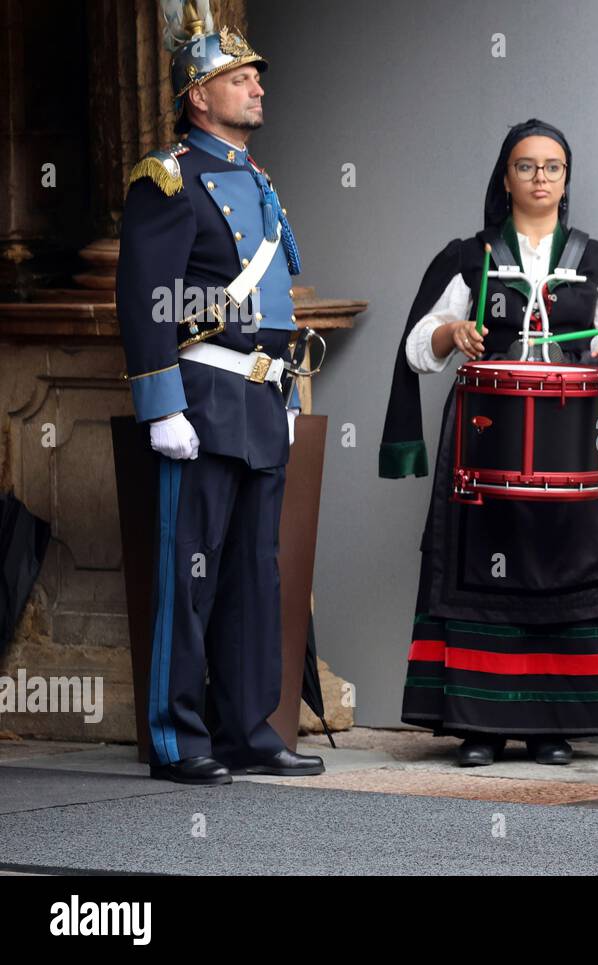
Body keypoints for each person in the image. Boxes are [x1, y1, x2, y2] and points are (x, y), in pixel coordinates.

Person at [379, 119, 598, 767]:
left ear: (567, 180)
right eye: (526, 166)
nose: (540, 178)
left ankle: (551, 726)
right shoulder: (470, 257)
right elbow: (415, 345)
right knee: (487, 577)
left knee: (563, 575)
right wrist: (452, 334)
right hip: (485, 446)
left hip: (575, 450)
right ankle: (479, 724)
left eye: (553, 167)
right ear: (505, 177)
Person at [116, 7, 323, 784]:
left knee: (252, 574)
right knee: (190, 571)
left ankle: (248, 727)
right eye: (240, 78)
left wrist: (291, 392)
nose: (257, 86)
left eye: (256, 75)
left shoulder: (256, 178)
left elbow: (276, 302)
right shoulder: (167, 177)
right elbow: (145, 298)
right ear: (199, 96)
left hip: (263, 398)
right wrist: (160, 404)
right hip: (201, 397)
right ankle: (178, 735)